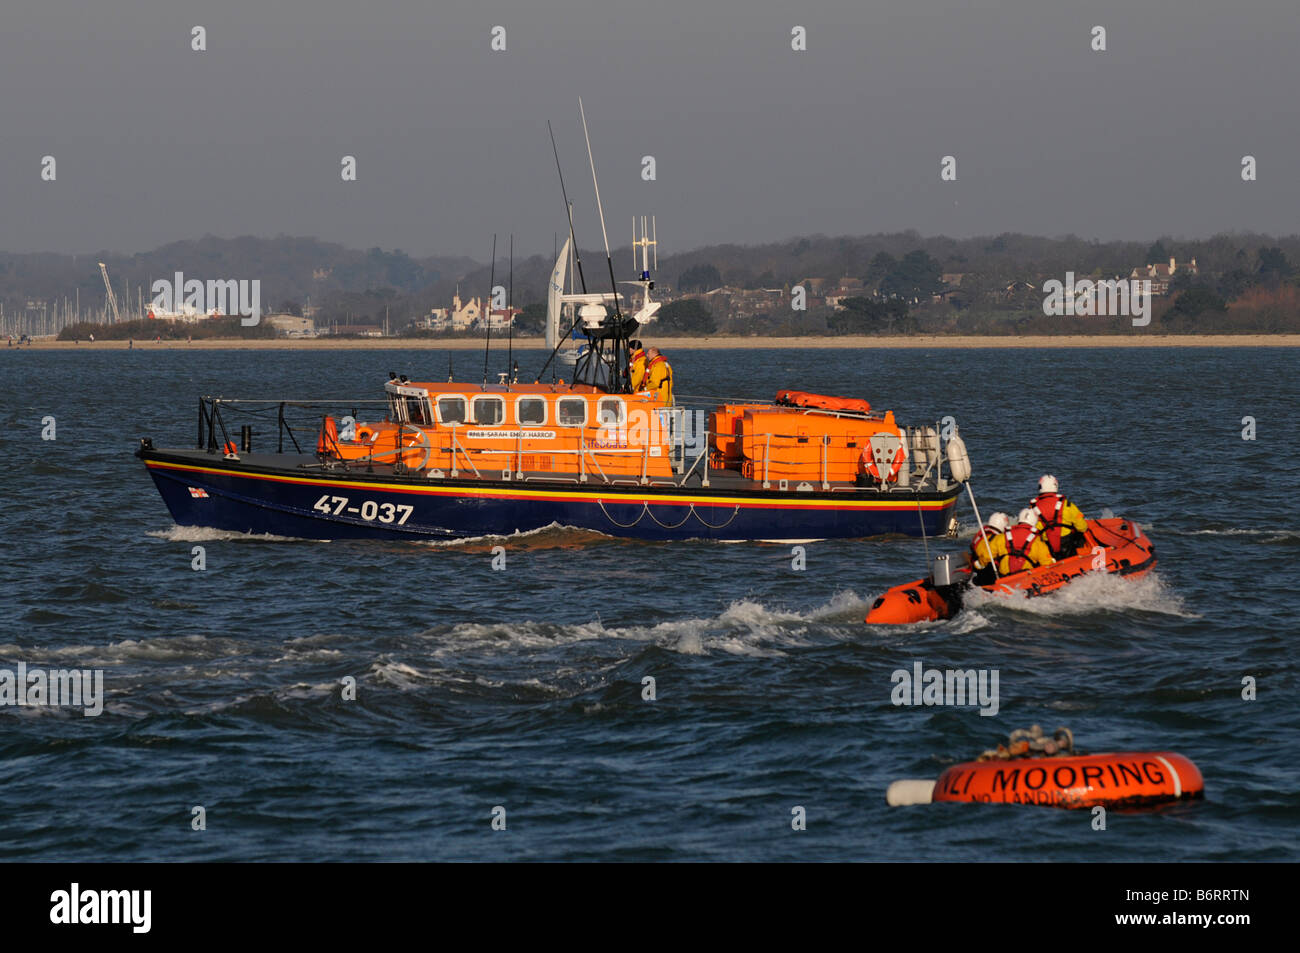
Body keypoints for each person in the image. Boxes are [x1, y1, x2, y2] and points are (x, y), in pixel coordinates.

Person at [1031, 474, 1088, 559]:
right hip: (1067, 545)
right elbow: (1082, 527)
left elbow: (1031, 532)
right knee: (1080, 534)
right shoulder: (1067, 505)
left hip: (1047, 548)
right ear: (1056, 486)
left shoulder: (1032, 509)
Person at [998, 508, 1054, 575]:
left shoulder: (1002, 536)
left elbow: (987, 555)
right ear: (1034, 522)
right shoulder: (1037, 542)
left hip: (1004, 577)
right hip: (1026, 577)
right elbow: (1047, 565)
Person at [969, 511, 1010, 586]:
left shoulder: (982, 533)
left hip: (976, 566)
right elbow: (987, 557)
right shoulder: (997, 539)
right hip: (987, 570)